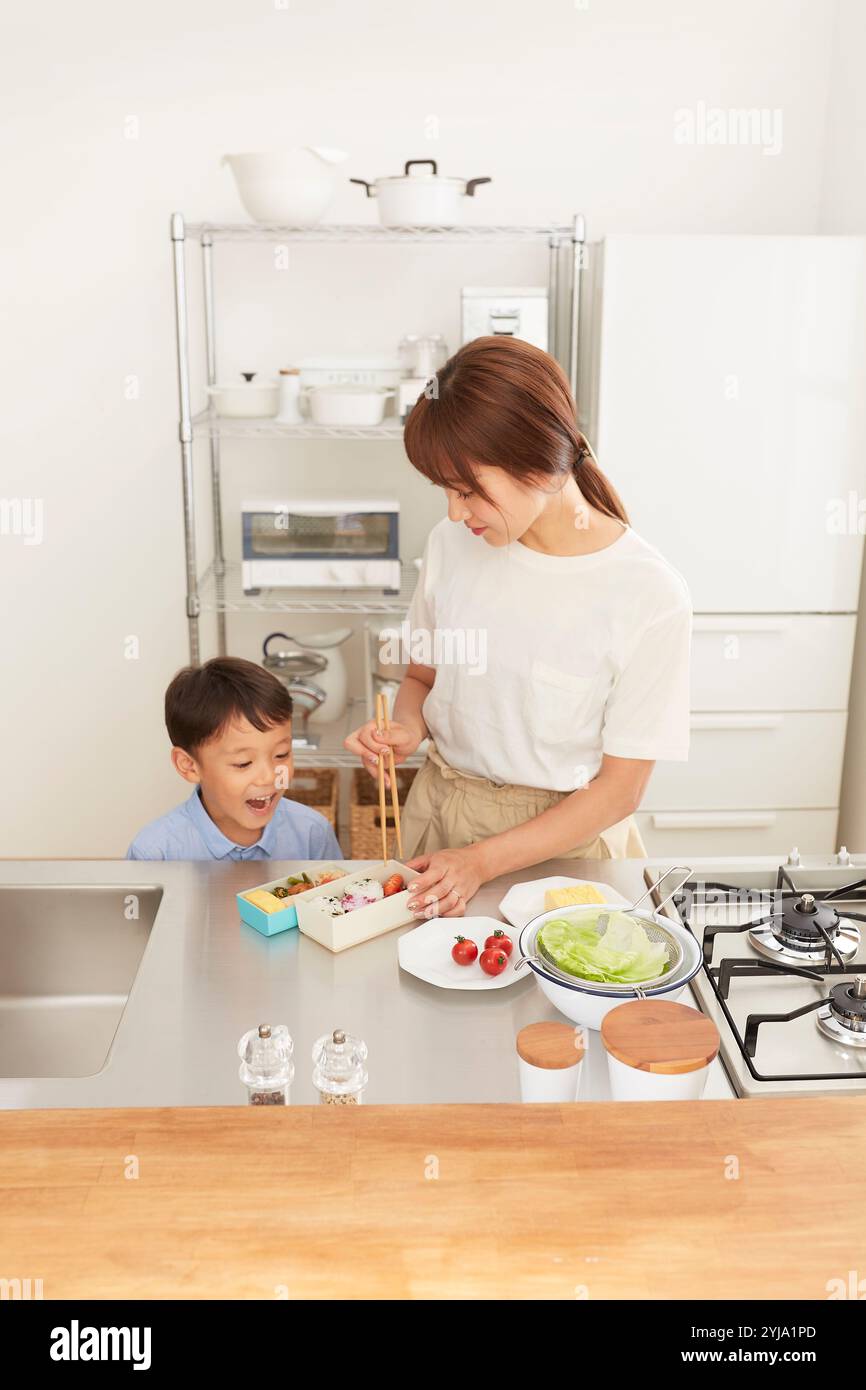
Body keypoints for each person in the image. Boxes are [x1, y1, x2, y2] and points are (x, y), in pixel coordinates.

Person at [345, 336, 691, 918]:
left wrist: (481, 860)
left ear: (538, 462)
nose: (455, 512)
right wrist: (405, 730)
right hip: (439, 822)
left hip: (566, 852)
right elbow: (423, 676)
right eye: (446, 492)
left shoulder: (648, 594)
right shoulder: (452, 545)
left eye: (467, 490)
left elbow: (620, 790)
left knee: (552, 1007)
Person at [127, 657, 342, 861]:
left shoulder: (313, 834)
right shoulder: (154, 852)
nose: (269, 777)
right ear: (189, 766)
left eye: (281, 754)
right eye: (243, 763)